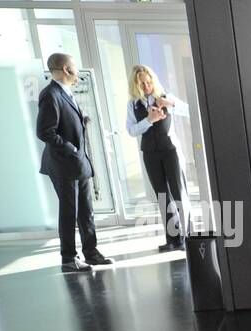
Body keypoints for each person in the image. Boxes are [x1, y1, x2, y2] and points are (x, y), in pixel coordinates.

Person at [35, 53, 113, 272]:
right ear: (66, 69)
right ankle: (69, 259)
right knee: (69, 213)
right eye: (74, 67)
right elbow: (44, 131)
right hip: (64, 164)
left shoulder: (65, 92)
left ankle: (91, 253)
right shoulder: (50, 94)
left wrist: (81, 122)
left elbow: (63, 123)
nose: (77, 71)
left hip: (79, 164)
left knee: (86, 211)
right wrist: (70, 148)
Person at [125, 64, 191, 252]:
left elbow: (189, 111)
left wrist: (171, 105)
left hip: (171, 151)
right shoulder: (133, 105)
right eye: (142, 83)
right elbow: (131, 130)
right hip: (150, 154)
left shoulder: (165, 97)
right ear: (135, 85)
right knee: (162, 196)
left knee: (179, 193)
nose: (146, 86)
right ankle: (173, 239)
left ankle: (187, 237)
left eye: (148, 82)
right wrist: (148, 121)